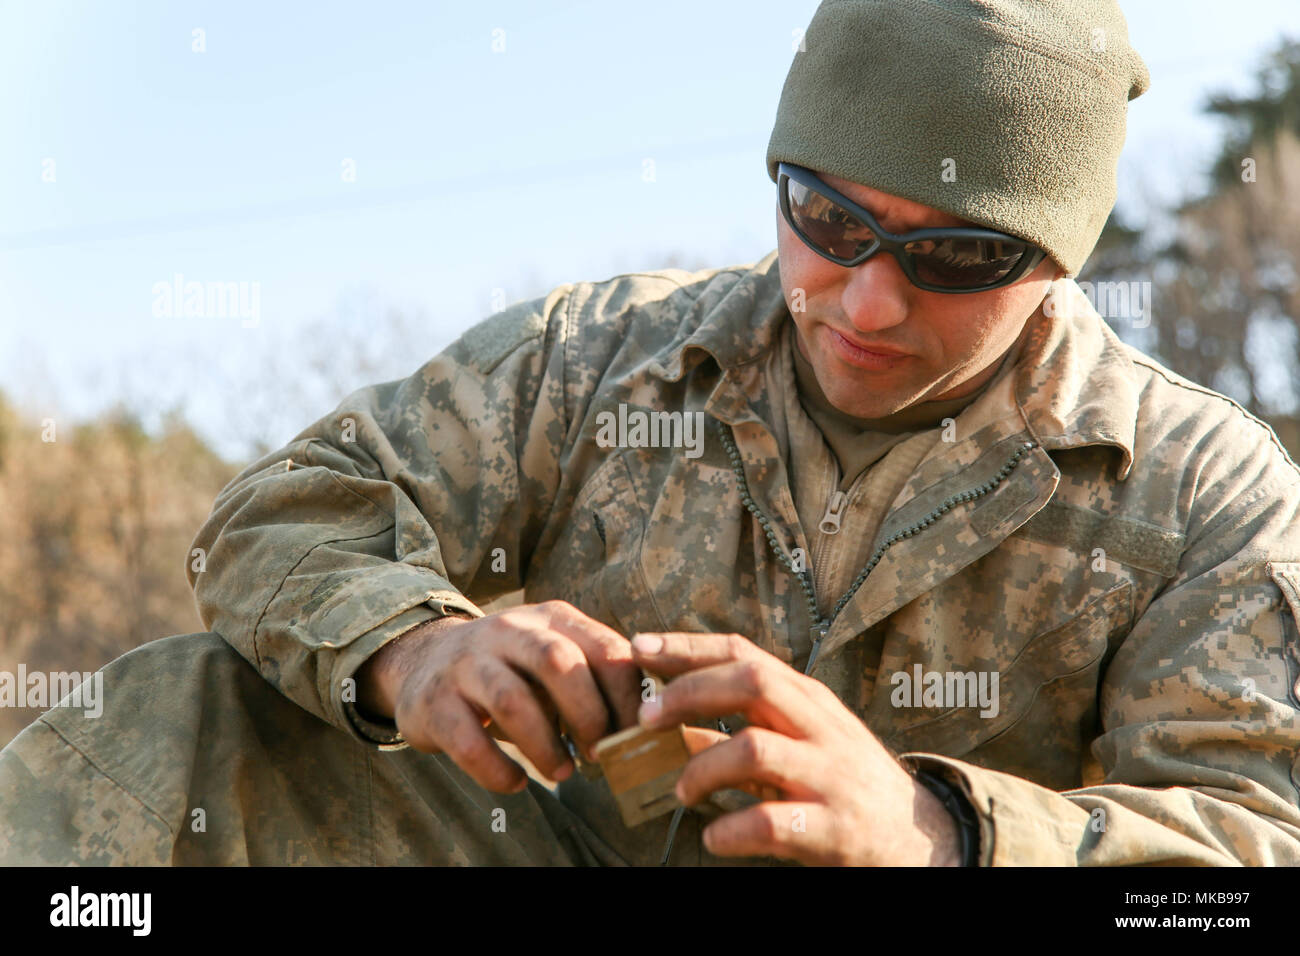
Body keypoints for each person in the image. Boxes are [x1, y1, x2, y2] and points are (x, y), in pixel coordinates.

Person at [4, 0, 1300, 867]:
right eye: (832, 222)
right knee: (184, 707)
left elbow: (1249, 846)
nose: (867, 299)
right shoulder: (602, 353)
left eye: (957, 255)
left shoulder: (1206, 487)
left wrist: (935, 832)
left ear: (1059, 263)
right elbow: (279, 515)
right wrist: (414, 648)